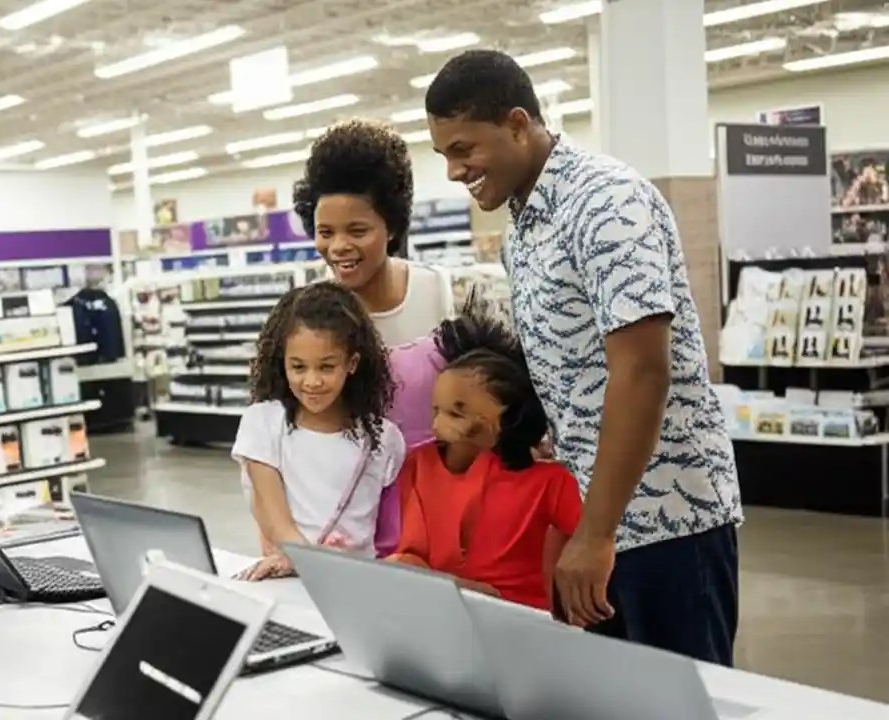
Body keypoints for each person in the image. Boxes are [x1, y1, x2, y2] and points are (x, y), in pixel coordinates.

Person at [424, 49, 743, 665]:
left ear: (518, 124)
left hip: (664, 522)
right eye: (445, 155)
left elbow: (644, 371)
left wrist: (597, 534)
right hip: (595, 521)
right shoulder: (524, 228)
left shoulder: (607, 202)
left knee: (679, 705)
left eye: (464, 149)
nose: (454, 170)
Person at [294, 118, 456, 554]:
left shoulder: (441, 293)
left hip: (442, 513)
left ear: (392, 226)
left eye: (358, 230)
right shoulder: (310, 314)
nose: (338, 247)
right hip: (347, 522)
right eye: (325, 233)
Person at [389, 312, 581, 612]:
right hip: (440, 612)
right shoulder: (419, 464)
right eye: (436, 409)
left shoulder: (549, 481)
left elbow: (595, 541)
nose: (438, 423)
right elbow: (411, 555)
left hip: (522, 625)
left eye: (456, 413)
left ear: (506, 418)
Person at [231, 282, 406, 581]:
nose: (312, 381)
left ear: (351, 364)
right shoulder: (263, 423)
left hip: (357, 584)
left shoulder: (384, 439)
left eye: (326, 367)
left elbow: (390, 536)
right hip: (291, 580)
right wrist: (306, 560)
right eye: (298, 367)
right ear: (282, 363)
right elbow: (277, 522)